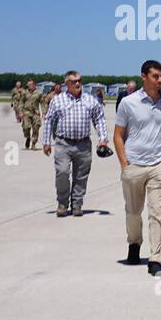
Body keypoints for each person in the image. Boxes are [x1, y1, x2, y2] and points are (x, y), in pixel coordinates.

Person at [113, 60, 161, 275]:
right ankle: (134, 244)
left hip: (158, 167)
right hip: (133, 166)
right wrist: (125, 164)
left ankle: (156, 259)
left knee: (157, 213)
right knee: (133, 212)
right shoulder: (128, 102)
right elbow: (118, 135)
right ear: (144, 77)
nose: (160, 80)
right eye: (155, 76)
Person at [40, 71, 110, 217]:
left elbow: (99, 120)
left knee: (81, 176)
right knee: (62, 172)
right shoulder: (57, 101)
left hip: (83, 144)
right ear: (67, 85)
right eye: (73, 81)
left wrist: (103, 139)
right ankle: (62, 203)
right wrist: (46, 142)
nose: (78, 84)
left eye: (79, 80)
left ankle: (77, 204)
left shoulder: (90, 100)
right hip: (63, 143)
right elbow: (49, 121)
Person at [20, 79, 41, 149]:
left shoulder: (39, 93)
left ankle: (33, 144)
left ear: (34, 85)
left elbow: (43, 103)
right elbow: (21, 102)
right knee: (26, 127)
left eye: (30, 85)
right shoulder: (25, 93)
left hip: (36, 113)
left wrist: (44, 112)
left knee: (36, 128)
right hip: (26, 112)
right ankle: (28, 137)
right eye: (28, 85)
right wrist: (20, 112)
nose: (28, 86)